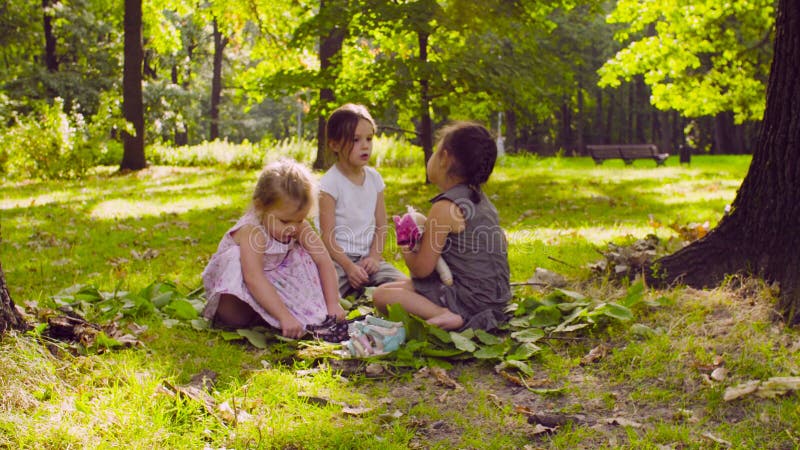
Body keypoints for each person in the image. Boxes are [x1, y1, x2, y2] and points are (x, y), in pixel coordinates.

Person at [373, 122, 511, 331]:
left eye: (436, 150)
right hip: (496, 300)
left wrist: (405, 241)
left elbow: (421, 270)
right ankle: (446, 310)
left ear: (444, 158)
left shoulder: (444, 207)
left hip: (470, 303)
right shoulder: (482, 202)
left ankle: (445, 315)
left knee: (381, 295)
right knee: (395, 287)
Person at [202, 159, 345, 339]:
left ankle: (271, 313)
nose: (293, 228)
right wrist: (284, 316)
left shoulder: (297, 226)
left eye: (300, 220)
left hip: (274, 282)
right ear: (260, 206)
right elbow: (253, 277)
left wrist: (333, 304)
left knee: (303, 254)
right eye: (285, 221)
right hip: (240, 289)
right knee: (236, 316)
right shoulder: (253, 231)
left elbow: (323, 261)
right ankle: (264, 314)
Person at [317, 103, 406, 299]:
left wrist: (374, 257)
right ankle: (351, 290)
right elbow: (327, 238)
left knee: (405, 286)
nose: (365, 145)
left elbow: (382, 225)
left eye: (369, 139)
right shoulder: (330, 184)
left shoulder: (375, 179)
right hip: (338, 261)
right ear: (334, 145)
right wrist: (349, 267)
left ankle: (370, 291)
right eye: (356, 140)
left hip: (368, 260)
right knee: (323, 297)